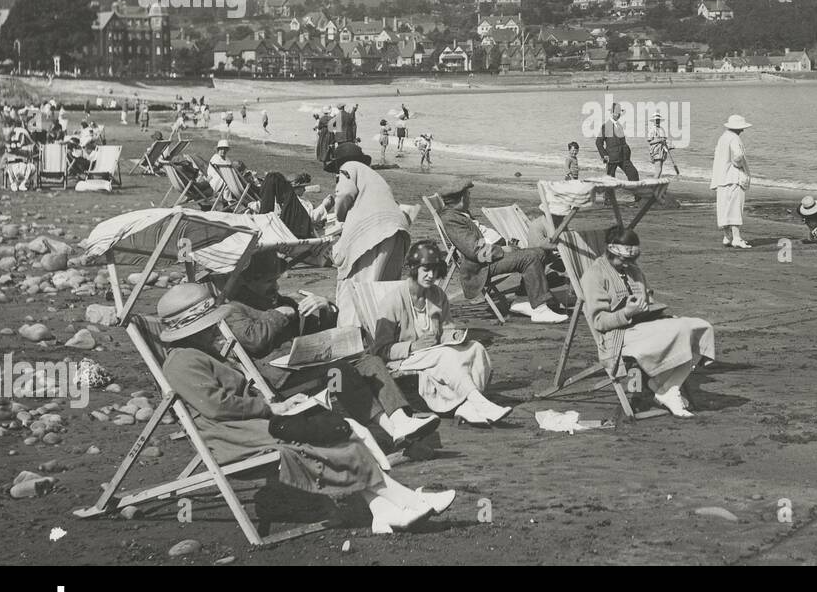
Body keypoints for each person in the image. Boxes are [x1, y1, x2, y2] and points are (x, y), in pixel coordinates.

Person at [151, 282, 454, 534]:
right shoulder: (182, 361)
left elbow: (232, 400)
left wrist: (278, 404)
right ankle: (403, 500)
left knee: (346, 429)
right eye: (209, 324)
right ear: (192, 328)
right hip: (235, 436)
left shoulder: (200, 352)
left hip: (250, 424)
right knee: (335, 433)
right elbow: (217, 406)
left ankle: (385, 508)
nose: (216, 328)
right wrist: (274, 410)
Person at [207, 252, 438, 447]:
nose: (275, 286)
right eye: (269, 282)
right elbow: (254, 340)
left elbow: (320, 327)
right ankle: (391, 429)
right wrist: (279, 315)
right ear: (249, 281)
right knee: (340, 373)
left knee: (369, 362)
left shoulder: (280, 300)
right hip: (282, 380)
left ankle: (401, 422)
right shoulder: (233, 309)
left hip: (305, 365)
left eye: (276, 280)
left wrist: (325, 307)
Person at [366, 241, 511, 425]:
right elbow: (380, 349)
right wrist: (412, 346)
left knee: (476, 349)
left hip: (434, 352)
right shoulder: (393, 300)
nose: (431, 275)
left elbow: (446, 329)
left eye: (434, 271)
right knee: (447, 355)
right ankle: (479, 402)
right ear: (413, 268)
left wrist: (454, 336)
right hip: (404, 359)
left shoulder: (437, 295)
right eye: (425, 269)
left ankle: (464, 406)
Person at [580, 227, 715, 418]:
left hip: (644, 326)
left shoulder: (634, 271)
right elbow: (599, 322)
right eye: (623, 260)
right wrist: (626, 312)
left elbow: (647, 300)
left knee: (700, 328)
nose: (627, 265)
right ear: (610, 251)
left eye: (631, 261)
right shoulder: (594, 275)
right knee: (682, 330)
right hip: (619, 335)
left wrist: (651, 308)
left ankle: (667, 387)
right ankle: (667, 389)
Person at [436, 179, 566, 324]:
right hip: (481, 266)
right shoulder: (451, 219)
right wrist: (502, 249)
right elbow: (475, 250)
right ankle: (540, 310)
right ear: (461, 198)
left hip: (490, 258)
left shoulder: (460, 213)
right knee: (530, 256)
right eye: (468, 195)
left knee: (539, 252)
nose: (469, 198)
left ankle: (522, 300)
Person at [328, 142, 411, 329]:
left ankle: (352, 330)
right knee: (383, 285)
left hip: (374, 231)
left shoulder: (348, 167)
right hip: (396, 227)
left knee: (359, 285)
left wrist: (340, 214)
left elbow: (345, 192)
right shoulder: (374, 175)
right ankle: (383, 329)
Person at [711, 114, 752, 248]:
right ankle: (736, 238)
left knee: (723, 207)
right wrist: (738, 164)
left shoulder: (723, 137)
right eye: (741, 128)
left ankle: (727, 236)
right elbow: (738, 155)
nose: (743, 130)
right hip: (733, 177)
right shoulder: (734, 138)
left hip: (721, 178)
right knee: (735, 207)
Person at [595, 101, 638, 181]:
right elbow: (598, 142)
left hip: (624, 157)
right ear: (612, 113)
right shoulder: (606, 126)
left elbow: (623, 142)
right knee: (610, 180)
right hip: (612, 158)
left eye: (619, 112)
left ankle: (636, 192)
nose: (618, 114)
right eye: (616, 112)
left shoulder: (619, 125)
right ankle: (609, 193)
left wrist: (627, 151)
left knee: (633, 173)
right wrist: (604, 155)